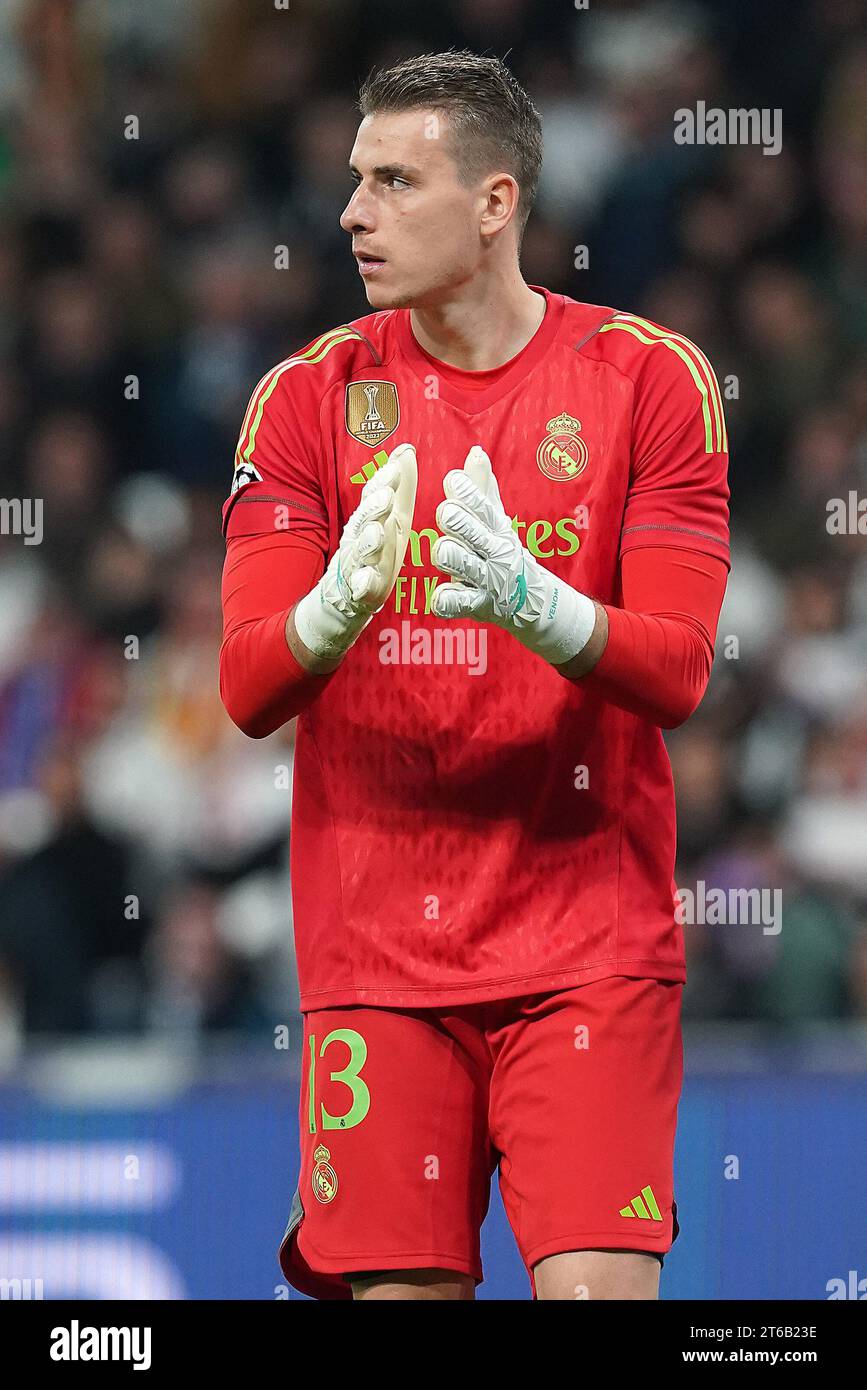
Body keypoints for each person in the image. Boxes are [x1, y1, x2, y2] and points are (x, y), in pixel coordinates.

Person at [219, 50, 730, 1301]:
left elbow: (679, 670)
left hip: (588, 946)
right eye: (354, 180)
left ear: (497, 203)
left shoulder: (649, 381)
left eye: (395, 181)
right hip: (380, 962)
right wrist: (332, 609)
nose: (352, 212)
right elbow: (245, 687)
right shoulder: (304, 401)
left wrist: (538, 606)